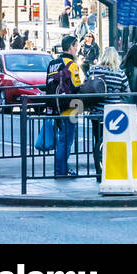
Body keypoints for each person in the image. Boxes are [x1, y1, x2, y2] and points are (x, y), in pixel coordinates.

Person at [87, 47, 130, 182]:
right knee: (113, 142)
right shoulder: (119, 73)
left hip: (96, 112)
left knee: (98, 141)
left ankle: (99, 173)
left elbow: (86, 86)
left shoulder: (94, 70)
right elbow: (127, 92)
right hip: (114, 113)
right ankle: (111, 169)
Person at [53, 35, 84, 179]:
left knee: (62, 138)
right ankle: (61, 170)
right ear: (71, 47)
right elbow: (77, 86)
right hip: (70, 107)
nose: (77, 49)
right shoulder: (71, 64)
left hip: (55, 105)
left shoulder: (53, 62)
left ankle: (60, 169)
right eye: (76, 46)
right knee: (66, 140)